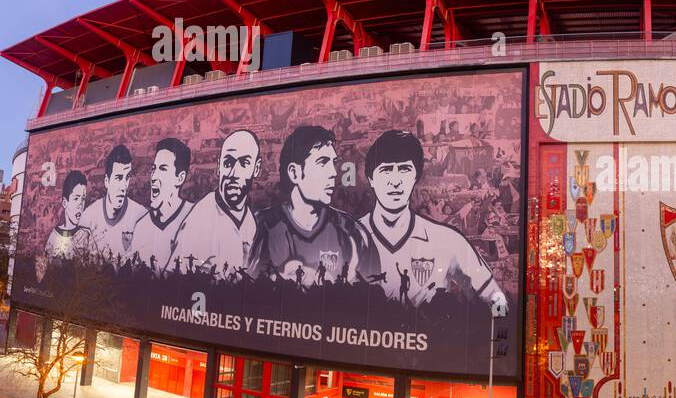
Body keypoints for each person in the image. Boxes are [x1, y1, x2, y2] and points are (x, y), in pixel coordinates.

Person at [359, 129, 504, 307]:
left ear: (415, 177)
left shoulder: (447, 239)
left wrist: (499, 333)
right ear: (371, 178)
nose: (395, 180)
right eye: (386, 170)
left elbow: (496, 300)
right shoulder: (348, 237)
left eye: (404, 169)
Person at [248, 125, 377, 286]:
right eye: (322, 162)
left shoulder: (355, 235)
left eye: (334, 163)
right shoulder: (257, 227)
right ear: (294, 173)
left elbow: (372, 299)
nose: (333, 172)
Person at [171, 130, 262, 275]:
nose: (234, 173)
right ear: (219, 167)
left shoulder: (250, 221)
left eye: (244, 163)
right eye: (228, 163)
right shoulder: (200, 219)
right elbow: (178, 280)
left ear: (256, 168)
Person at [130, 138, 194, 271]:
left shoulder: (194, 217)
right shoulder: (142, 226)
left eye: (163, 169)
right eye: (154, 169)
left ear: (180, 178)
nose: (153, 177)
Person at [81, 144, 148, 262]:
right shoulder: (89, 217)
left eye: (127, 178)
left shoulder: (141, 216)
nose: (123, 186)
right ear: (107, 181)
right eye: (118, 178)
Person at [46, 170, 92, 260]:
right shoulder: (54, 235)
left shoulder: (86, 235)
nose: (80, 204)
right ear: (64, 203)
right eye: (76, 198)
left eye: (83, 199)